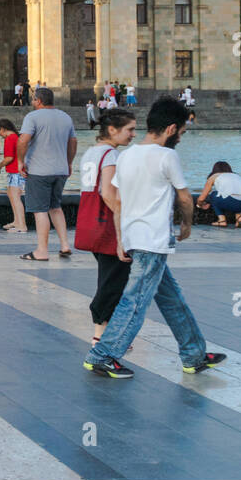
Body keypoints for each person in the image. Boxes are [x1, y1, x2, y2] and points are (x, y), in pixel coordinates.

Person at [83, 96, 227, 379]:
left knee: (173, 300)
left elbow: (118, 201)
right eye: (182, 133)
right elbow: (185, 198)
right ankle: (102, 355)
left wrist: (121, 239)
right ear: (171, 129)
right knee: (134, 301)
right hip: (153, 241)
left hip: (136, 238)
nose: (181, 139)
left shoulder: (125, 156)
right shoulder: (167, 156)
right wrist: (187, 225)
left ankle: (194, 354)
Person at [75, 108, 137, 348]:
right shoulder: (111, 155)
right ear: (112, 130)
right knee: (114, 280)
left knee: (109, 276)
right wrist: (122, 233)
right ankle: (101, 336)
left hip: (90, 222)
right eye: (129, 129)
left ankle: (107, 333)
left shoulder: (91, 152)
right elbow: (109, 195)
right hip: (107, 224)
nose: (133, 134)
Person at [15, 87, 79, 260]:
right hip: (61, 170)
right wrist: (69, 162)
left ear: (39, 101)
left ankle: (42, 251)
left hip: (39, 170)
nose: (33, 102)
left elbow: (23, 140)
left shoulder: (33, 117)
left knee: (40, 210)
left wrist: (20, 162)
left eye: (34, 99)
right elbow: (73, 142)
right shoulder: (65, 117)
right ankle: (65, 245)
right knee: (55, 207)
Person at [0, 118, 26, 233]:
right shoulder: (16, 137)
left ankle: (22, 226)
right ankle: (16, 221)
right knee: (12, 195)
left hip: (16, 172)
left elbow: (9, 158)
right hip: (15, 172)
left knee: (16, 198)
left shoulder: (9, 139)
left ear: (2, 129)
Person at [197, 161, 241, 227]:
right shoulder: (236, 176)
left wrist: (200, 204)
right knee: (234, 195)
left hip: (231, 202)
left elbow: (201, 198)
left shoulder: (213, 176)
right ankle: (240, 217)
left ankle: (222, 221)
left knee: (213, 194)